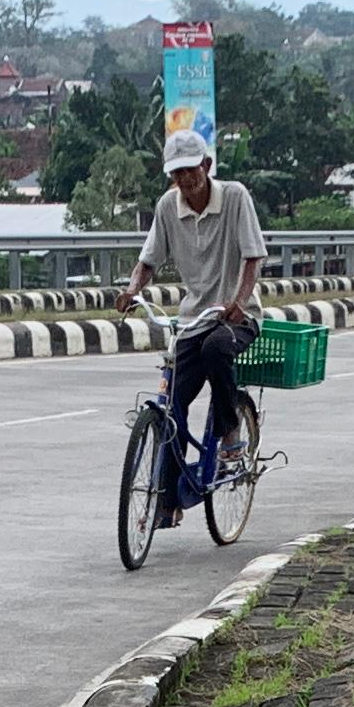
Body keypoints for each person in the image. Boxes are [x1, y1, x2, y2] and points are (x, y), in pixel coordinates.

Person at [122, 128, 266, 519]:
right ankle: (169, 501)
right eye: (177, 173)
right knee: (173, 405)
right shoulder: (168, 207)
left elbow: (254, 257)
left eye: (191, 169)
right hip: (192, 320)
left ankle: (230, 436)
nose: (185, 179)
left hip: (238, 315)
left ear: (207, 165)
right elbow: (148, 260)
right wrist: (132, 290)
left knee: (216, 349)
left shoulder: (234, 197)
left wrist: (239, 302)